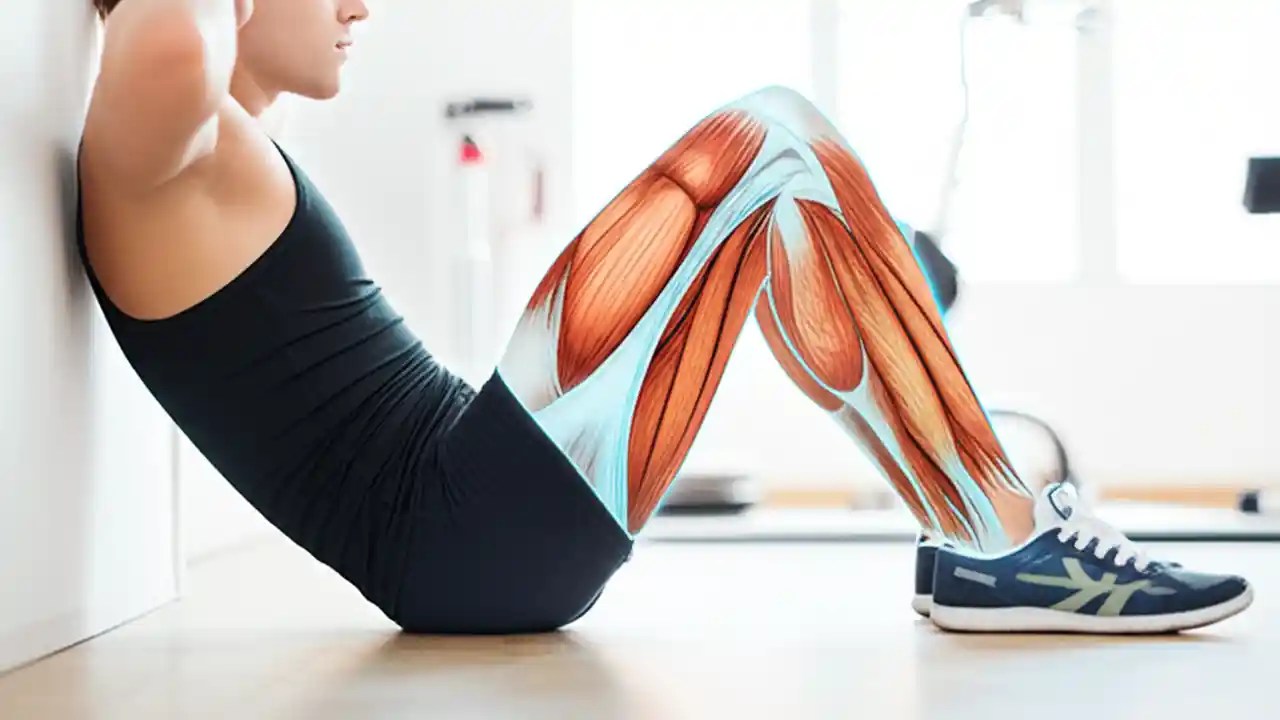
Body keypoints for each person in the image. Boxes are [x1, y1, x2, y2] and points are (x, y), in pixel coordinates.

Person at [80, 0, 1251, 634]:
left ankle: (976, 535)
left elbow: (203, 54)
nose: (362, 6)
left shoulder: (214, 143)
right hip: (466, 533)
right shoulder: (156, 139)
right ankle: (997, 540)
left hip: (478, 530)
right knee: (769, 136)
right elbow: (170, 42)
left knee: (780, 194)